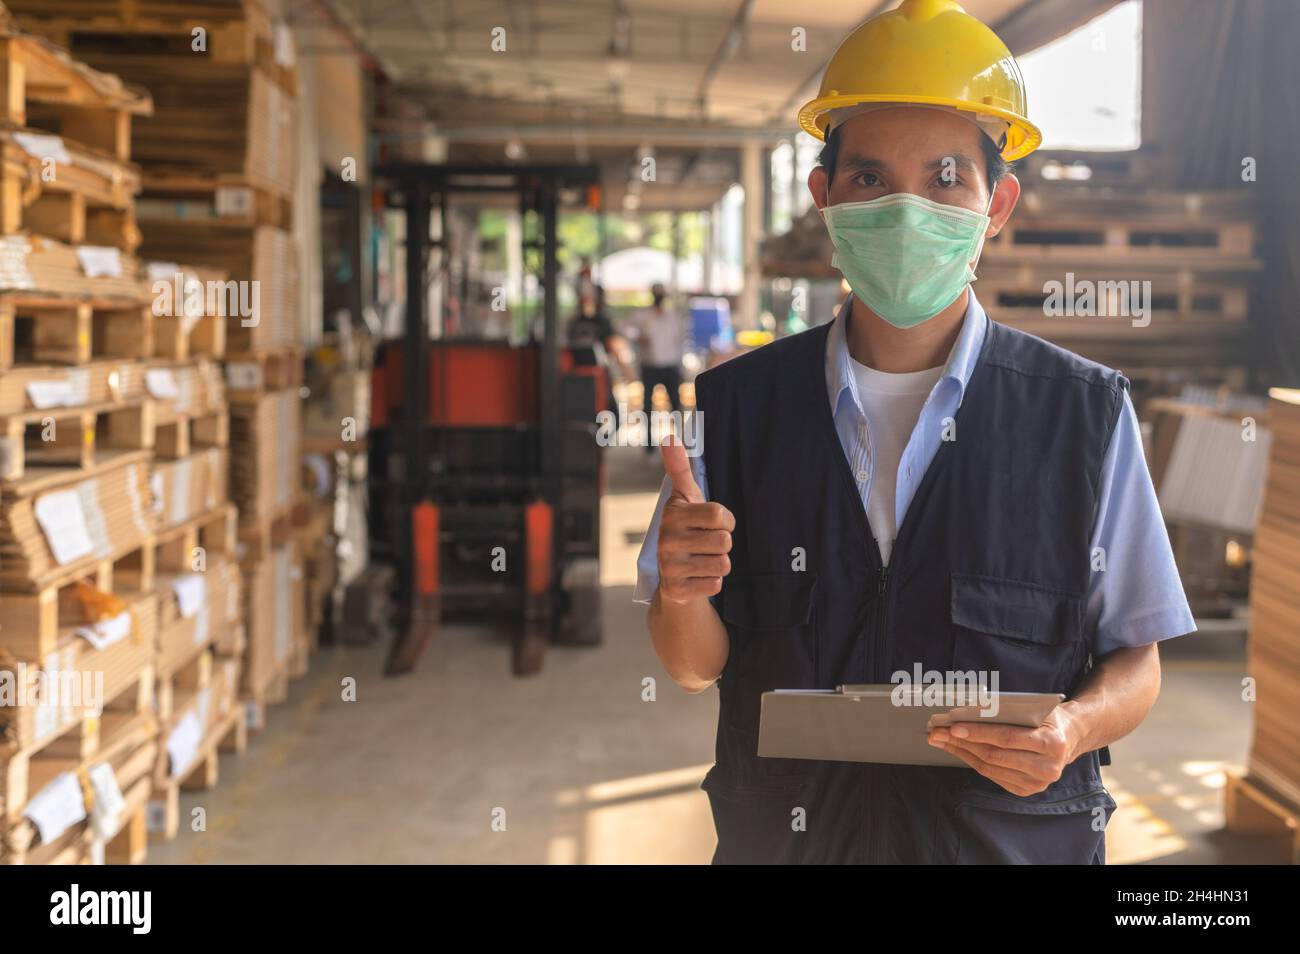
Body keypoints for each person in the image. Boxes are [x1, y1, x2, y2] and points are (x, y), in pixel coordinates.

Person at [634, 0, 1194, 864]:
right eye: (868, 179)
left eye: (943, 179)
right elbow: (694, 665)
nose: (905, 210)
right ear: (824, 197)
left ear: (995, 202)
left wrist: (1073, 728)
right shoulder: (735, 410)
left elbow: (1135, 659)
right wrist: (681, 590)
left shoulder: (1082, 413)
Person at [625, 283, 685, 454]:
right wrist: (638, 337)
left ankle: (680, 443)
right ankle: (649, 446)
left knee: (675, 406)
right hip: (650, 366)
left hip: (670, 366)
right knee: (648, 407)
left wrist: (680, 367)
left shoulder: (672, 317)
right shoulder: (643, 315)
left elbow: (679, 342)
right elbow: (625, 328)